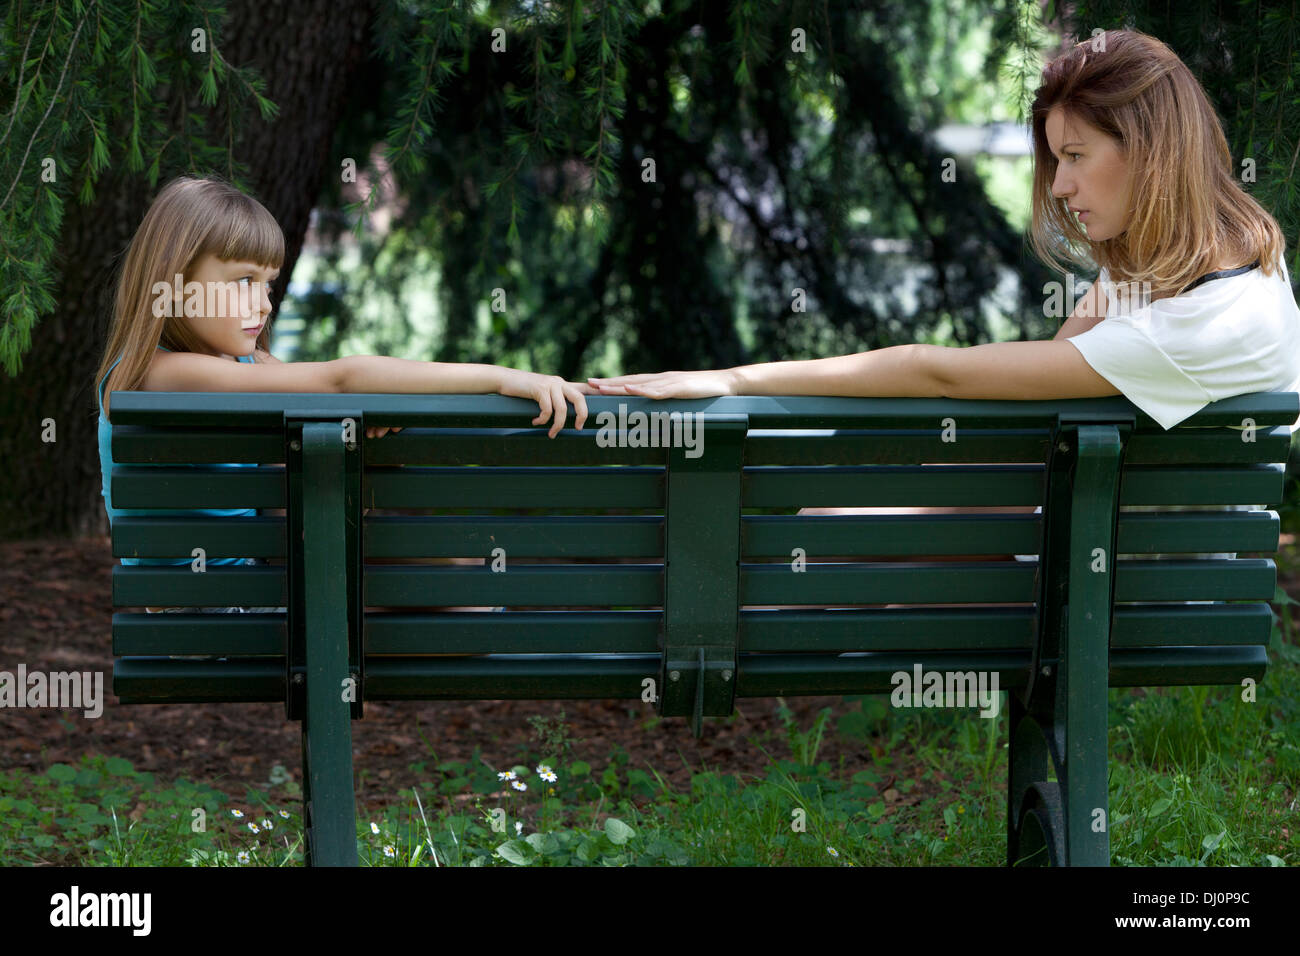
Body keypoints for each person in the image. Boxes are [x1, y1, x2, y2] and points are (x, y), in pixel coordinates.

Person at [584, 28, 1300, 580]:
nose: (1058, 187)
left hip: (1116, 587)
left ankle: (698, 651)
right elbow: (1039, 410)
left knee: (815, 539)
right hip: (1107, 563)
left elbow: (941, 373)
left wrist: (734, 380)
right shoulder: (1221, 270)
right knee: (827, 525)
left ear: (1148, 149)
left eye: (1076, 156)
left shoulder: (1200, 324)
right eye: (1057, 161)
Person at [96, 175, 590, 616]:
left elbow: (324, 399)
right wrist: (501, 378)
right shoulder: (163, 374)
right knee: (447, 587)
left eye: (268, 283)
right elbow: (338, 380)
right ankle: (470, 606)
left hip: (253, 591)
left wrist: (355, 416)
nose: (263, 304)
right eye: (243, 280)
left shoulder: (232, 367)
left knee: (424, 556)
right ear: (175, 281)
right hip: (215, 612)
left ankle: (462, 601)